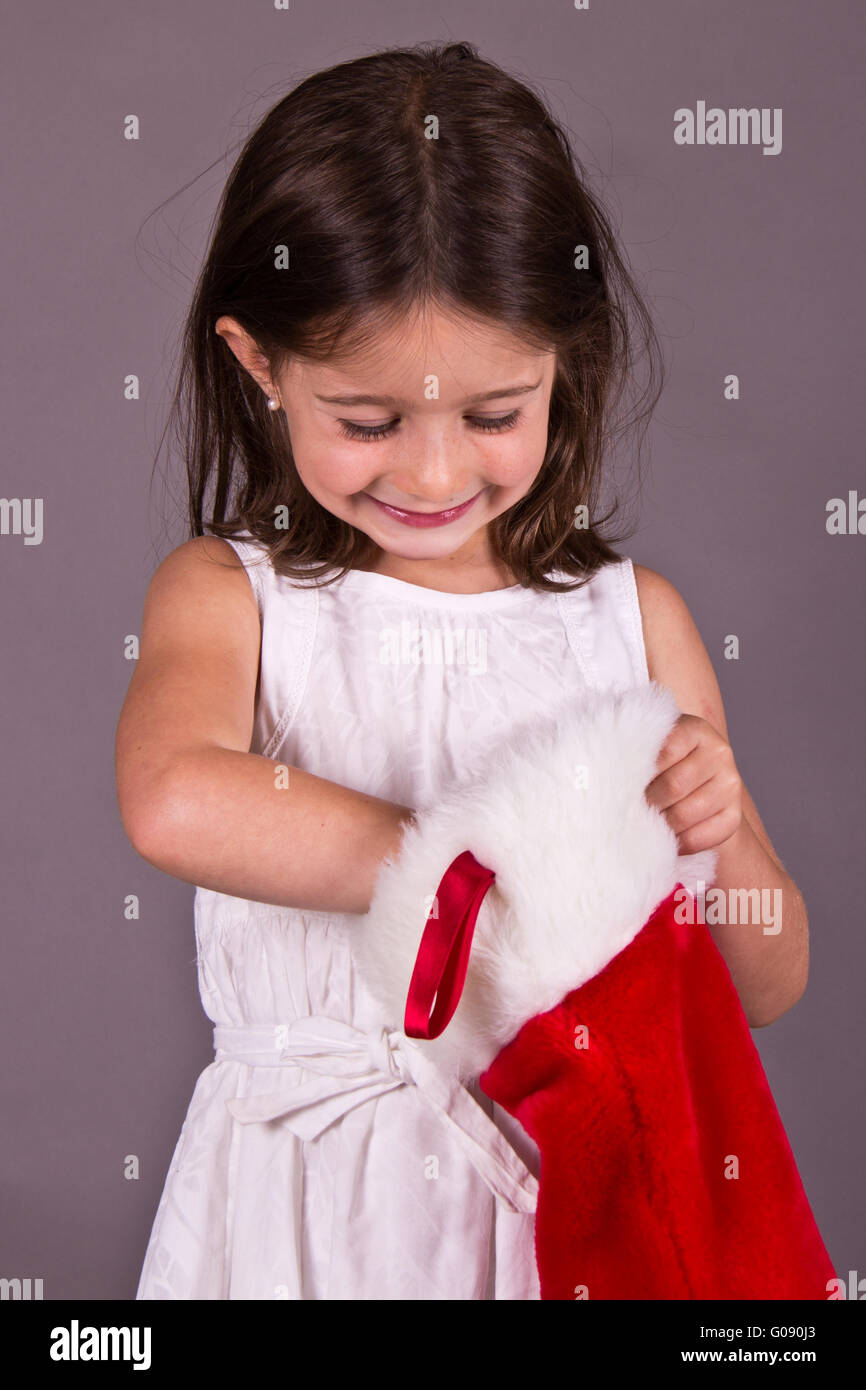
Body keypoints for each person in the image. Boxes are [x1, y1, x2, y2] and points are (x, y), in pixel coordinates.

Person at [116, 40, 810, 1300]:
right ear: (260, 365)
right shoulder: (232, 598)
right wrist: (490, 883)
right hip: (302, 1212)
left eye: (494, 414)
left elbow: (764, 981)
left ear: (565, 363)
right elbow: (174, 794)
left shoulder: (630, 622)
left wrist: (720, 840)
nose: (434, 477)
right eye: (368, 421)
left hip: (555, 1203)